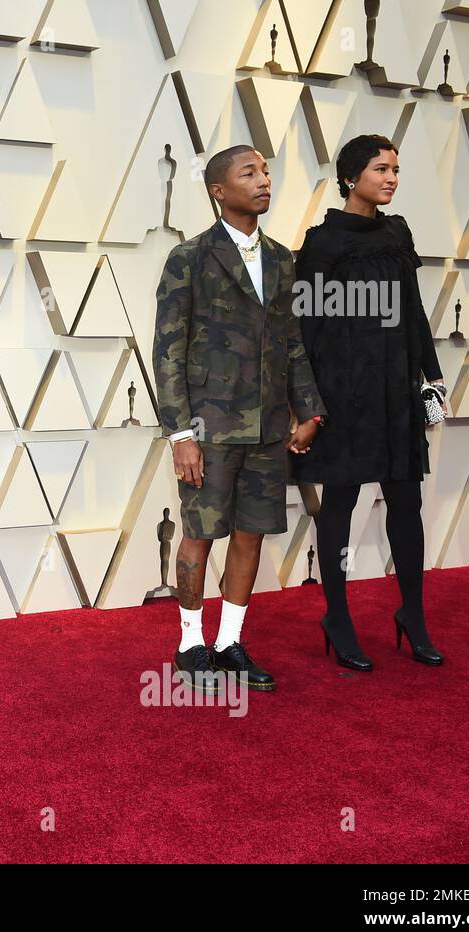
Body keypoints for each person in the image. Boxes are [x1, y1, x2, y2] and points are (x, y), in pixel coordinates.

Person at [153, 144, 327, 693]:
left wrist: (309, 409)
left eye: (266, 171)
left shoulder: (281, 257)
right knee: (201, 534)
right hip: (207, 427)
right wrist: (181, 433)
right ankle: (189, 645)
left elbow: (292, 340)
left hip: (269, 426)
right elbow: (168, 350)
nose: (262, 180)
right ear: (217, 190)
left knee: (251, 534)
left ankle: (229, 642)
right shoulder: (189, 257)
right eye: (248, 173)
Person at [294, 134, 447, 670]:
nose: (392, 178)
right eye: (381, 169)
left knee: (407, 503)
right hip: (344, 396)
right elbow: (305, 329)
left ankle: (414, 615)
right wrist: (308, 403)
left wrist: (431, 376)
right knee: (340, 503)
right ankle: (337, 616)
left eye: (396, 169)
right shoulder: (323, 242)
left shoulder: (397, 233)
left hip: (397, 394)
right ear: (351, 175)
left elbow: (415, 312)